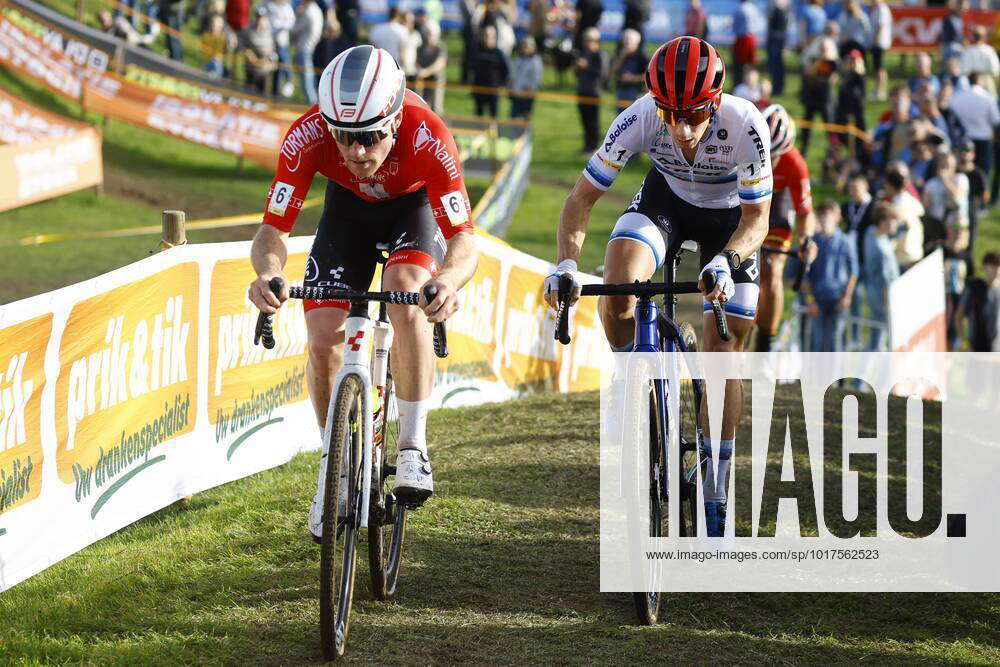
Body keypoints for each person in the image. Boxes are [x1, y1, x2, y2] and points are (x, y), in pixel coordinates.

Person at [544, 37, 773, 537]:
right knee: (618, 280)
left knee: (723, 346)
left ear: (714, 105)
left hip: (730, 223)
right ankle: (630, 379)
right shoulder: (641, 116)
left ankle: (716, 479)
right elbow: (581, 200)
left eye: (694, 115)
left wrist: (727, 261)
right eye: (672, 115)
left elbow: (758, 221)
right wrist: (565, 265)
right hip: (666, 202)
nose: (684, 128)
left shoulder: (747, 125)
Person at [248, 46, 479, 541]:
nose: (357, 152)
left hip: (412, 212)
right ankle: (336, 471)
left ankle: (414, 445)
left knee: (406, 290)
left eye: (371, 136)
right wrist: (268, 274)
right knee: (321, 333)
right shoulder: (307, 134)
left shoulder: (427, 133)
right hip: (346, 215)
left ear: (394, 119)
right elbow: (273, 231)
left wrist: (451, 282)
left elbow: (463, 237)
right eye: (345, 138)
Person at [755, 104, 815, 352]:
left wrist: (805, 240)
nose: (768, 161)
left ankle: (766, 341)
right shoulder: (747, 149)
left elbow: (804, 213)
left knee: (772, 271)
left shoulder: (795, 164)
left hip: (778, 208)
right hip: (751, 201)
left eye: (774, 155)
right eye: (765, 155)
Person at [923, 152, 970, 347]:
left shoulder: (960, 179)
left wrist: (945, 180)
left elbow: (958, 199)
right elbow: (926, 208)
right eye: (941, 163)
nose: (944, 167)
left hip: (957, 240)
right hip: (938, 237)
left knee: (955, 294)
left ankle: (954, 338)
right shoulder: (931, 184)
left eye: (948, 164)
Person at [803, 201, 858, 352]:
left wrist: (846, 296)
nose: (824, 219)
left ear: (837, 217)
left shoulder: (846, 241)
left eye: (828, 215)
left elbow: (854, 271)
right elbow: (805, 274)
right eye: (821, 215)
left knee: (836, 343)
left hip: (838, 298)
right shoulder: (813, 242)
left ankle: (836, 376)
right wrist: (810, 300)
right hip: (818, 298)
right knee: (817, 343)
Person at [863, 202, 900, 350]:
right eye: (893, 220)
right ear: (883, 222)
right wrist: (889, 305)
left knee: (876, 335)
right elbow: (886, 282)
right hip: (882, 298)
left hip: (874, 292)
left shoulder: (871, 233)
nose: (896, 224)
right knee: (879, 339)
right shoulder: (880, 249)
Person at [799, 21, 839, 157]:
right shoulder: (813, 58)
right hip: (812, 95)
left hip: (825, 97)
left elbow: (833, 77)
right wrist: (818, 62)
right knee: (807, 124)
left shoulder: (831, 62)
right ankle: (804, 148)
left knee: (830, 124)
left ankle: (833, 151)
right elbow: (808, 72)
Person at [951, 73, 1000, 179]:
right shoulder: (987, 97)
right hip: (983, 140)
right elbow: (996, 120)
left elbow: (953, 116)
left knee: (964, 171)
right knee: (982, 172)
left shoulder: (958, 96)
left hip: (964, 138)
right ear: (980, 80)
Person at [883, 164, 925, 271]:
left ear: (890, 185)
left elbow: (896, 233)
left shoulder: (896, 208)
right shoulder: (913, 201)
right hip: (916, 253)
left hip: (903, 258)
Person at [575, 26, 608, 153]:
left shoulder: (600, 55)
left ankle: (593, 146)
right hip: (582, 90)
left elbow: (602, 74)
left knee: (593, 121)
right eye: (586, 40)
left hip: (594, 91)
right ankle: (586, 145)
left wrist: (586, 67)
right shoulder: (584, 53)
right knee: (584, 120)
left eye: (590, 40)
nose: (587, 43)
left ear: (596, 41)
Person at [958, 250, 1000, 351]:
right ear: (984, 267)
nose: (996, 270)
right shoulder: (974, 288)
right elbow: (959, 316)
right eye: (993, 266)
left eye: (998, 267)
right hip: (976, 349)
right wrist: (964, 342)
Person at [958, 138, 988, 274]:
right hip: (957, 214)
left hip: (971, 213)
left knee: (969, 247)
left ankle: (970, 275)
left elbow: (985, 196)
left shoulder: (978, 174)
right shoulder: (956, 171)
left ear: (973, 154)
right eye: (962, 151)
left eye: (967, 151)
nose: (964, 154)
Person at [471, 25, 508, 118]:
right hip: (479, 88)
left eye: (490, 36)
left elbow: (506, 70)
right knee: (479, 115)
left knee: (494, 115)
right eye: (486, 35)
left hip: (493, 90)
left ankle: (494, 132)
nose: (488, 38)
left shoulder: (499, 53)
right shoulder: (477, 50)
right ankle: (479, 132)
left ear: (495, 37)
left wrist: (502, 85)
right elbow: (471, 66)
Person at [291, 0, 323, 104]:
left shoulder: (308, 11)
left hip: (305, 49)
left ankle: (311, 107)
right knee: (309, 79)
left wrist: (298, 14)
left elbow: (295, 30)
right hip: (311, 48)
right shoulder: (317, 10)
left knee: (306, 81)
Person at [262, 0, 295, 97]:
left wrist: (279, 26)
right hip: (267, 40)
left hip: (281, 41)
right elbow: (261, 15)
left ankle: (287, 82)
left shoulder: (286, 7)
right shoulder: (267, 4)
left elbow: (291, 22)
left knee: (282, 62)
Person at [241, 9, 278, 94]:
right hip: (251, 68)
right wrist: (248, 53)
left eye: (262, 18)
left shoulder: (269, 33)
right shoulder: (247, 30)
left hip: (264, 69)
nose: (259, 20)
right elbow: (241, 45)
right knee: (248, 92)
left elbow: (274, 53)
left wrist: (270, 58)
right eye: (258, 17)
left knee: (262, 94)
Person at [415, 22, 447, 114]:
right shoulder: (420, 48)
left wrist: (425, 72)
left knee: (436, 108)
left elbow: (440, 63)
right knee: (421, 105)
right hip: (422, 81)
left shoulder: (440, 47)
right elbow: (417, 62)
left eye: (431, 34)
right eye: (427, 33)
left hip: (436, 81)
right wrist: (419, 71)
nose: (429, 36)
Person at [612, 29, 648, 110]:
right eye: (625, 40)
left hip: (636, 92)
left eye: (629, 40)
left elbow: (648, 76)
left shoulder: (642, 57)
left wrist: (632, 78)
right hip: (621, 91)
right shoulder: (620, 54)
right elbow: (613, 71)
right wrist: (621, 57)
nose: (626, 43)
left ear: (636, 43)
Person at [960, 26, 1000, 98]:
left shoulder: (968, 51)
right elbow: (995, 70)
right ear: (984, 37)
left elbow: (963, 71)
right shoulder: (989, 50)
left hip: (972, 82)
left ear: (973, 37)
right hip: (985, 82)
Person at [509, 36, 543, 119]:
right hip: (516, 94)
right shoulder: (518, 59)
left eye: (526, 45)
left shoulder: (536, 61)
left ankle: (526, 132)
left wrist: (530, 88)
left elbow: (536, 79)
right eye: (523, 45)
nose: (524, 47)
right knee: (513, 118)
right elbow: (513, 75)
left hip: (527, 96)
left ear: (533, 47)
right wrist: (510, 87)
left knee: (525, 120)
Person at [732, 0, 761, 85]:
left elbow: (735, 26)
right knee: (751, 65)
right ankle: (752, 84)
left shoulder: (739, 9)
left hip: (742, 39)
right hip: (752, 38)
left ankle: (739, 84)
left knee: (739, 65)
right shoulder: (754, 8)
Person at [766, 0, 790, 96]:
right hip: (779, 40)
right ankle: (778, 87)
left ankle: (777, 88)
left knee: (776, 66)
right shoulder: (784, 11)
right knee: (777, 66)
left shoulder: (779, 10)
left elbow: (771, 22)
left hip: (776, 41)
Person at [870, 0, 892, 100]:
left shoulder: (881, 9)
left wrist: (875, 39)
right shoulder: (877, 9)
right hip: (877, 43)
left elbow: (880, 25)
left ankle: (881, 91)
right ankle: (877, 89)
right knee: (877, 68)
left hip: (880, 43)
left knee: (880, 68)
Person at [940, 0, 967, 67]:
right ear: (958, 7)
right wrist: (965, 42)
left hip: (953, 47)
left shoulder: (958, 18)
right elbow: (956, 35)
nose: (965, 10)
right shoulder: (951, 18)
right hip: (950, 48)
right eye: (964, 8)